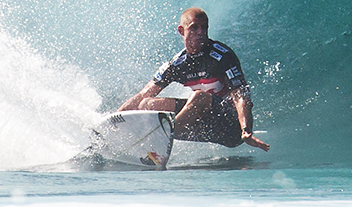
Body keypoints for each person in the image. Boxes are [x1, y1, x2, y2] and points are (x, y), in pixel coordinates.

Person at [116, 8, 270, 151]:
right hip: (202, 126)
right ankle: (144, 147)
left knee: (199, 97)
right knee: (147, 104)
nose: (201, 32)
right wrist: (114, 120)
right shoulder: (177, 64)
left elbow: (240, 94)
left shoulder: (223, 56)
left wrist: (245, 129)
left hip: (231, 128)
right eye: (194, 28)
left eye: (205, 27)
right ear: (181, 31)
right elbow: (144, 94)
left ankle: (164, 136)